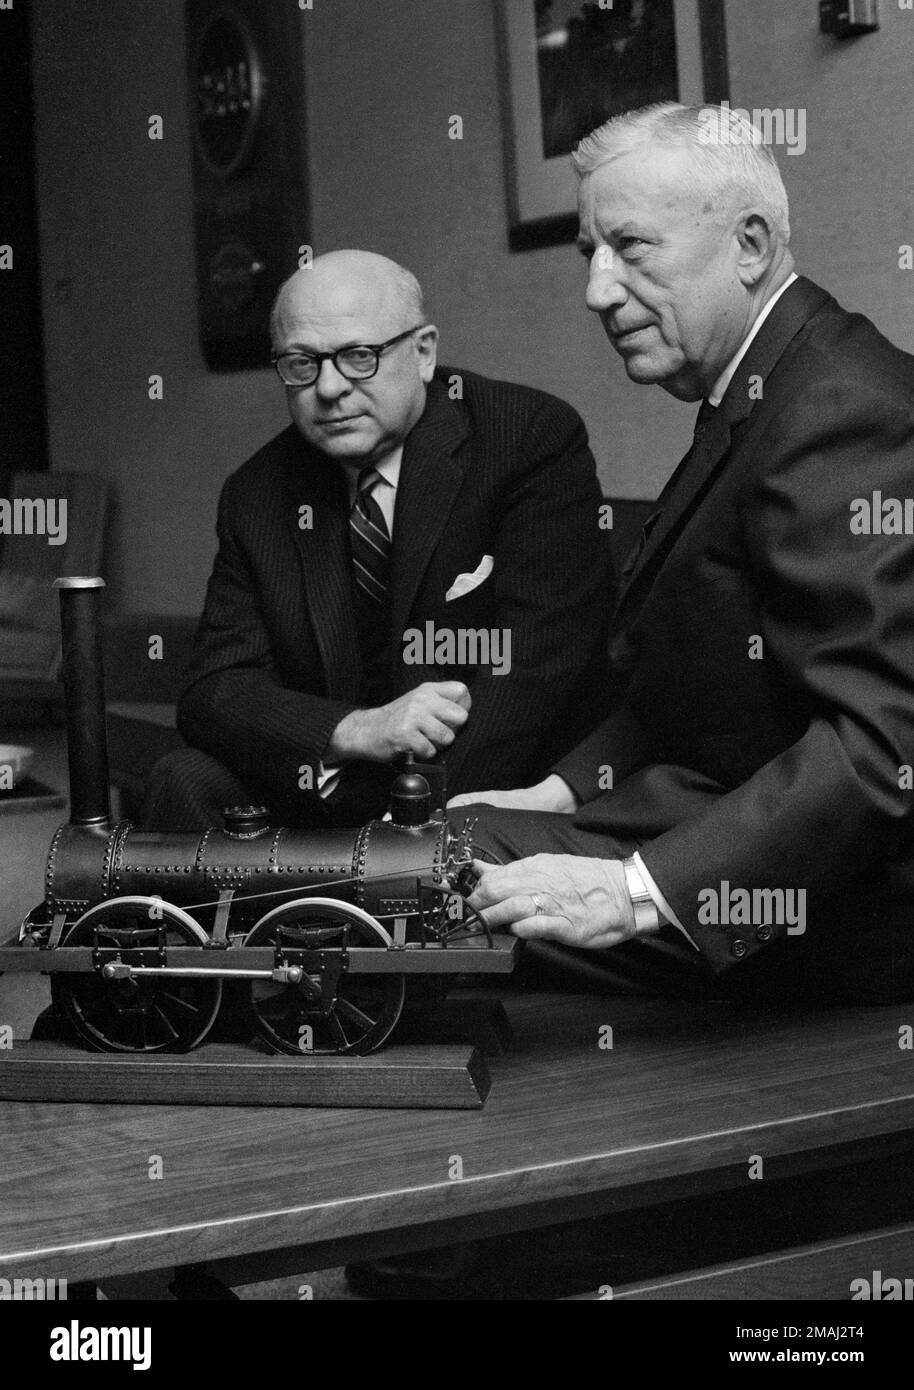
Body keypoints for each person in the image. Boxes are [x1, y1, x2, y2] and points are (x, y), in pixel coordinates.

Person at [453, 103, 914, 1007]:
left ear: (749, 244)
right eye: (590, 253)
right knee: (430, 854)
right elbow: (700, 689)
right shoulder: (770, 382)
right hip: (724, 825)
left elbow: (882, 750)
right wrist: (554, 793)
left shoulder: (842, 407)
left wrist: (636, 895)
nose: (598, 289)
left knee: (416, 890)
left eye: (631, 247)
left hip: (844, 904)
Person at [145, 250, 611, 830]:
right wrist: (358, 730)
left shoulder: (527, 439)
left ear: (423, 353)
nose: (330, 387)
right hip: (338, 773)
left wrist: (406, 826)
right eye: (301, 364)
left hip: (487, 780)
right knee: (183, 778)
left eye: (359, 356)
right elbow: (214, 691)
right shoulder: (257, 493)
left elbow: (537, 670)